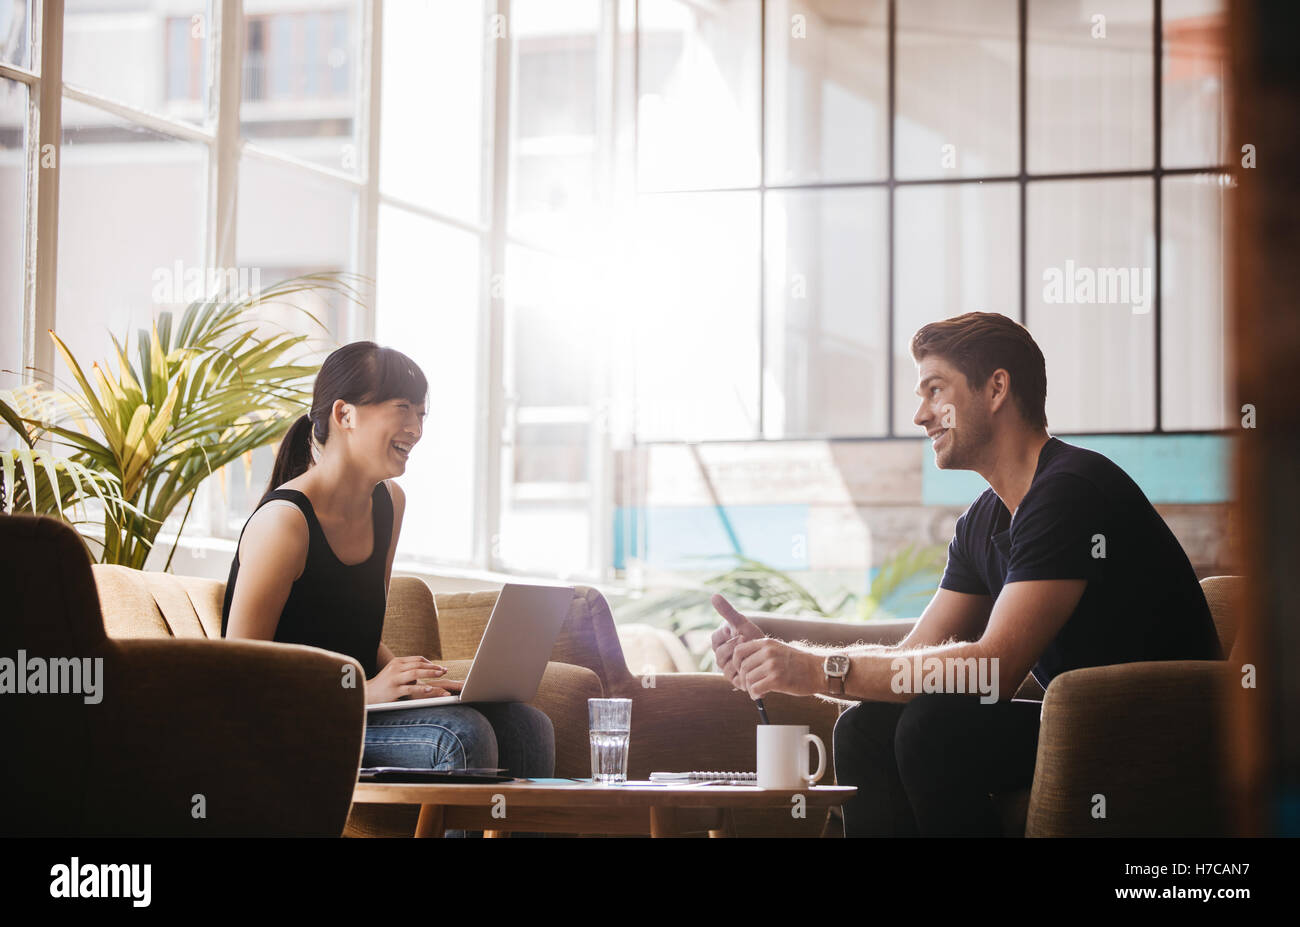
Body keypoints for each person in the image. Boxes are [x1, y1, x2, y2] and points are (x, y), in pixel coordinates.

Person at [709, 311, 1222, 836]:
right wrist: (780, 657)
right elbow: (912, 660)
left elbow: (993, 668)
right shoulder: (984, 520)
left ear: (996, 388)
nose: (920, 415)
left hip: (1161, 727)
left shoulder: (1070, 490)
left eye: (935, 391)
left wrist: (817, 671)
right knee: (866, 726)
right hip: (1078, 723)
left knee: (936, 727)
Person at [221, 341, 555, 801]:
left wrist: (416, 683)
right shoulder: (285, 522)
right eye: (403, 409)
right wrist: (363, 693)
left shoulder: (389, 503)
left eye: (422, 413)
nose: (416, 429)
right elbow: (236, 677)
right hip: (287, 724)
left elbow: (351, 630)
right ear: (345, 415)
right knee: (462, 735)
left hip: (353, 708)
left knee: (528, 727)